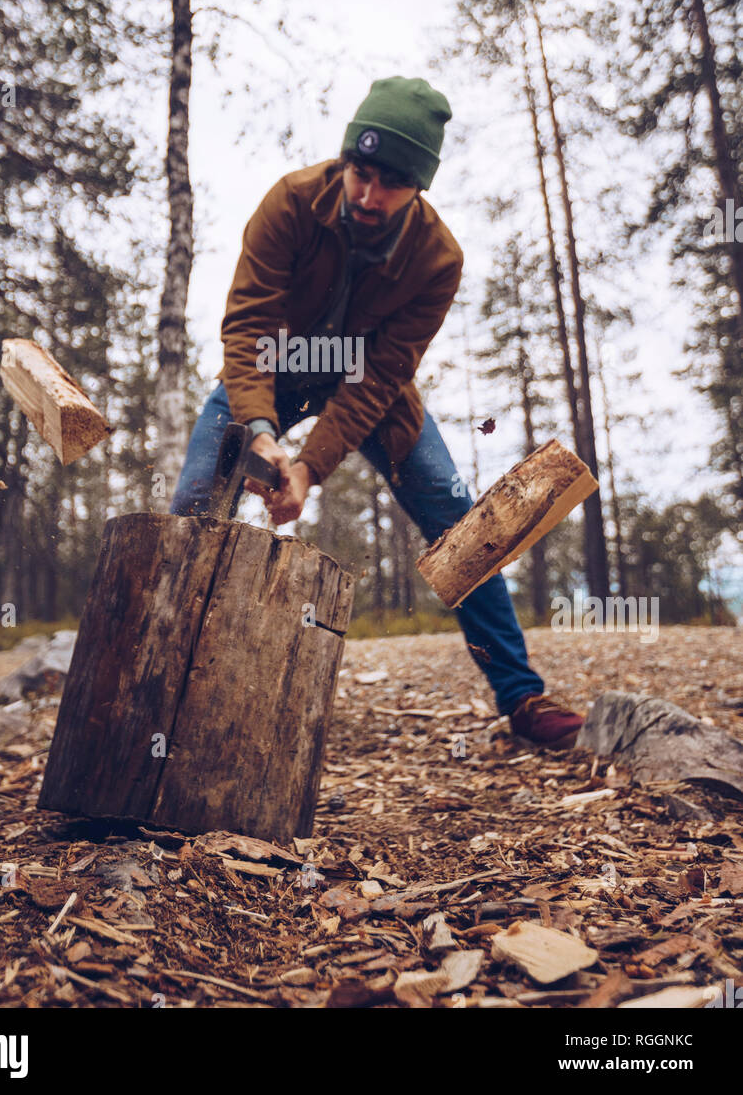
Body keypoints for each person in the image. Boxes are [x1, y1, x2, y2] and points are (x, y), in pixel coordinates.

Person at [170, 76, 584, 749]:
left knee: (459, 523)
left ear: (420, 185)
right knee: (193, 504)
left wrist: (308, 468)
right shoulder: (290, 203)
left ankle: (522, 697)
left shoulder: (438, 258)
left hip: (372, 392)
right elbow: (248, 331)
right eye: (360, 173)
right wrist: (264, 432)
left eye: (389, 182)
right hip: (269, 373)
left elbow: (379, 377)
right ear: (344, 162)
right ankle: (164, 686)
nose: (367, 195)